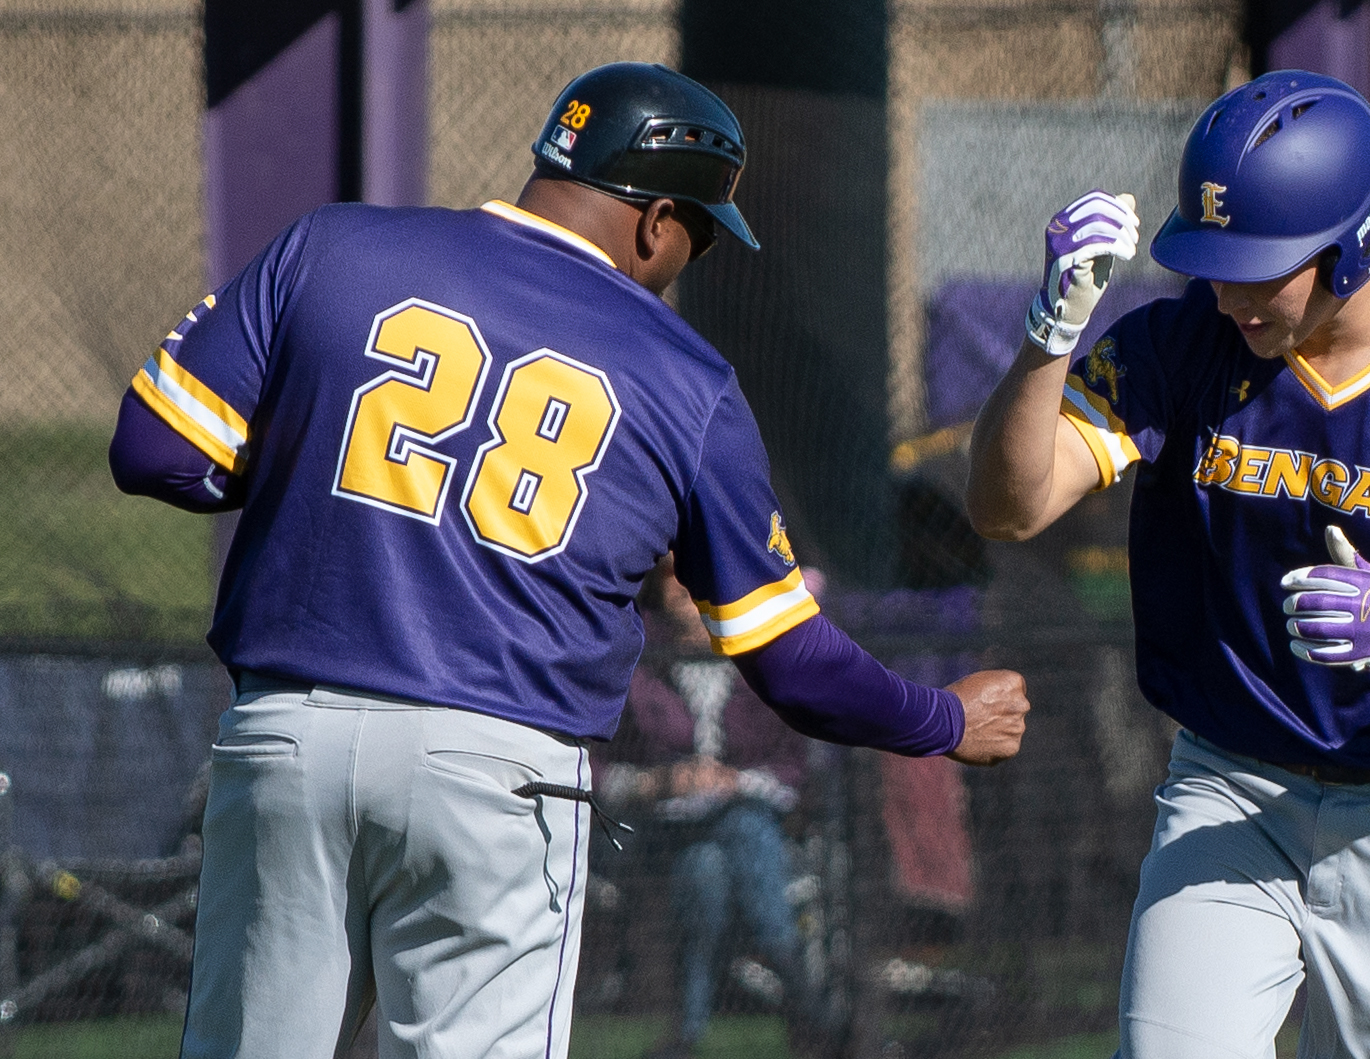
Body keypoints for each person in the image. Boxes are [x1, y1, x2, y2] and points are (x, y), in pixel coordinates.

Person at [107, 62, 1029, 1059]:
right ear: (656, 221)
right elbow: (788, 658)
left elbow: (156, 450)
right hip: (501, 772)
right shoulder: (686, 381)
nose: (691, 259)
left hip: (289, 739)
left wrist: (325, 478)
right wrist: (943, 719)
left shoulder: (333, 246)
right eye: (703, 234)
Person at [966, 71, 1370, 1057]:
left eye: (1259, 267)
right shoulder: (1184, 343)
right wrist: (1050, 333)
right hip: (1233, 786)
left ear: (1354, 244)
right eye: (1213, 262)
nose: (1227, 292)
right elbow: (1009, 507)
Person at [595, 555, 824, 1059]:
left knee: (710, 869)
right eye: (672, 575)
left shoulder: (761, 657)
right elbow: (594, 768)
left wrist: (734, 781)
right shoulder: (635, 660)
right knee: (732, 839)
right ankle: (804, 1003)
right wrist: (657, 782)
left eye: (697, 571)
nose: (685, 583)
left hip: (749, 824)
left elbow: (796, 767)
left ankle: (687, 1035)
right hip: (660, 830)